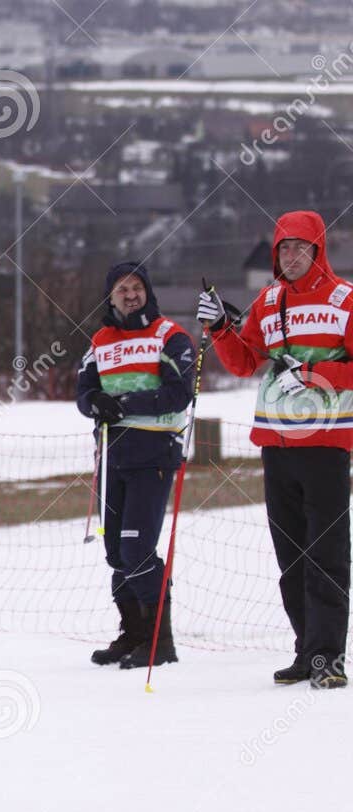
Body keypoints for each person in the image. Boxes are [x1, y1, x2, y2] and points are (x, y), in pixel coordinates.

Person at [199, 210, 353, 688]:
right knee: (291, 557)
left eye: (300, 247)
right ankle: (306, 650)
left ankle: (328, 657)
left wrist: (312, 374)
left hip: (326, 444)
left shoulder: (345, 300)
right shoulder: (268, 301)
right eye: (283, 247)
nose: (291, 255)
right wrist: (220, 328)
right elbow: (246, 363)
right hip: (276, 445)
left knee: (326, 553)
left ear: (318, 249)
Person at [76, 262, 196, 669]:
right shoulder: (99, 341)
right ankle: (134, 632)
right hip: (112, 456)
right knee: (116, 552)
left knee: (137, 548)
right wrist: (95, 402)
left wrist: (125, 404)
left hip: (153, 454)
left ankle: (161, 640)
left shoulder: (169, 335)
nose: (130, 295)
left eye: (136, 288)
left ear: (147, 291)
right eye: (122, 289)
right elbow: (84, 392)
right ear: (110, 296)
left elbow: (179, 392)